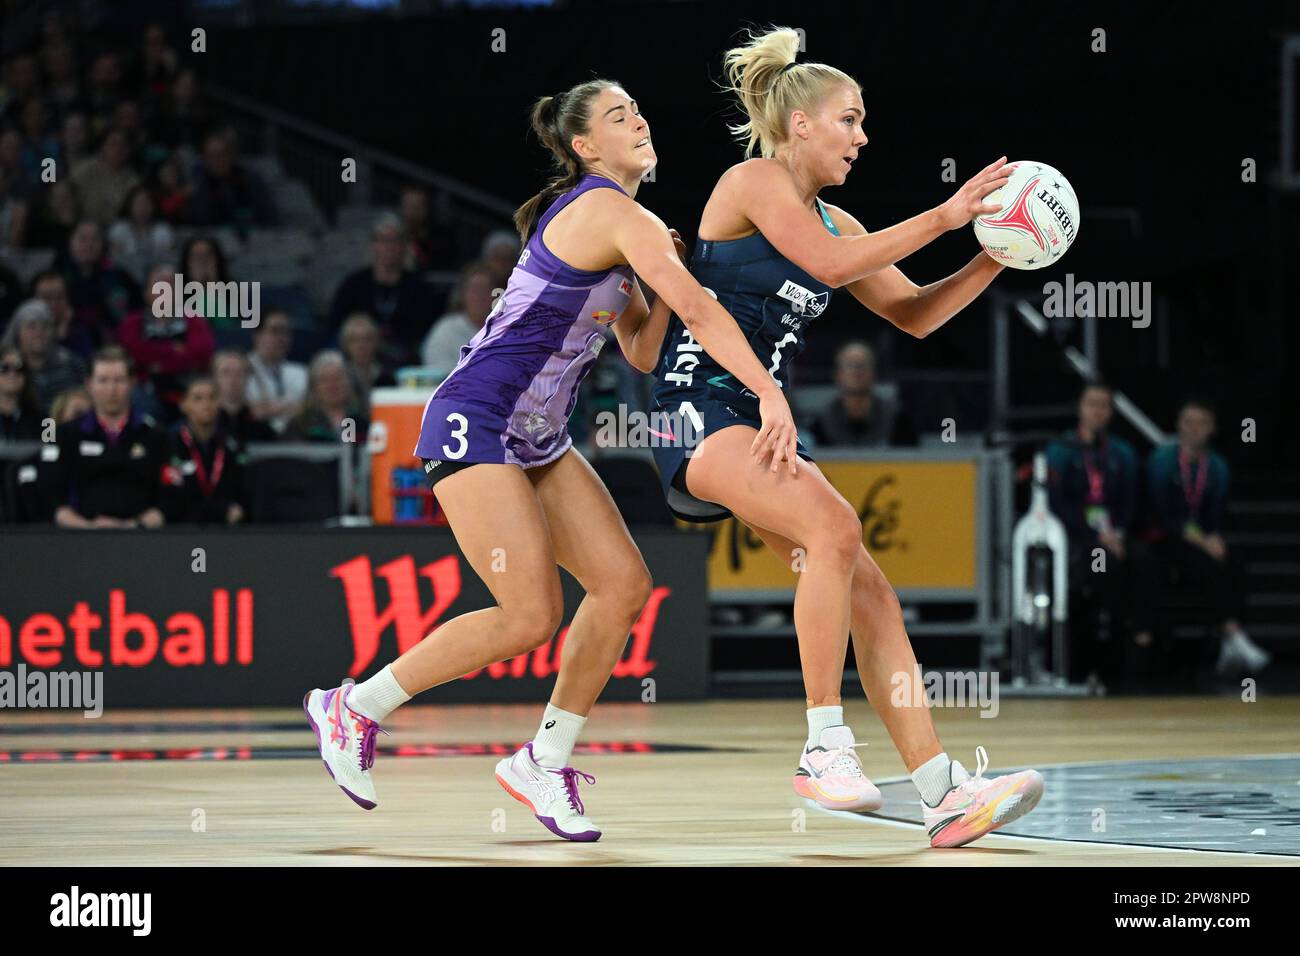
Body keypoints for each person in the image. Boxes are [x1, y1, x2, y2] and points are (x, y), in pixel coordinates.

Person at [304, 79, 800, 842]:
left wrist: (660, 272)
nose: (637, 120)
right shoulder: (605, 208)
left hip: (538, 435)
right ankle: (354, 707)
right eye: (616, 116)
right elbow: (702, 310)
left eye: (638, 108)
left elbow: (639, 348)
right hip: (476, 420)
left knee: (623, 585)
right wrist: (767, 390)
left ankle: (544, 759)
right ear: (584, 148)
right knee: (530, 614)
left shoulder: (632, 224)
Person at [648, 27, 1042, 848]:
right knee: (834, 528)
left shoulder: (841, 220)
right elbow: (826, 266)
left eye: (863, 123)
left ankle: (940, 791)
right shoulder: (751, 180)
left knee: (872, 591)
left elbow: (915, 314)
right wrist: (945, 213)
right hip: (698, 401)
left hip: (762, 417)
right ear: (799, 124)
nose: (863, 137)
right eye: (849, 120)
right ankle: (824, 745)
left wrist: (1002, 252)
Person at [1045, 380, 1157, 681]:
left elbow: (1130, 500)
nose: (1098, 411)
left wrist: (1117, 533)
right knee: (1101, 563)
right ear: (1080, 408)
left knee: (1143, 557)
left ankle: (1141, 636)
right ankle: (1100, 645)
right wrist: (1097, 535)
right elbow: (1057, 502)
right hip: (1078, 536)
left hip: (1115, 535)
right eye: (1092, 404)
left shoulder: (1122, 453)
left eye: (1104, 405)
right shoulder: (1061, 448)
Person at [1147, 398, 1268, 674]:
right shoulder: (1161, 462)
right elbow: (1160, 514)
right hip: (1165, 538)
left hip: (1200, 537)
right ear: (1179, 425)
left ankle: (1229, 638)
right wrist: (1201, 540)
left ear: (1212, 428)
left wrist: (1214, 537)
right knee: (1203, 561)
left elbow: (1216, 514)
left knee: (1234, 559)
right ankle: (1231, 632)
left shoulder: (1218, 467)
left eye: (1202, 423)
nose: (1194, 429)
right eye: (1188, 422)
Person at [48, 345, 169, 529]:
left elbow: (170, 498)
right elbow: (53, 498)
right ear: (89, 384)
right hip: (80, 541)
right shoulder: (67, 434)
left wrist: (133, 525)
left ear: (132, 382)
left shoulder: (155, 434)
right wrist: (88, 527)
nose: (112, 390)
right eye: (103, 380)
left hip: (143, 540)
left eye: (119, 380)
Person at [328, 213, 437, 367]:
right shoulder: (352, 285)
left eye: (395, 241)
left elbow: (427, 333)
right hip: (358, 357)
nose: (389, 247)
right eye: (383, 240)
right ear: (373, 245)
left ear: (404, 246)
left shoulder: (419, 287)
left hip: (405, 359)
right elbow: (337, 328)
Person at [162, 374, 247, 525]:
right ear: (183, 404)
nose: (206, 404)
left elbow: (241, 489)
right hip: (180, 528)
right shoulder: (169, 443)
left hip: (226, 529)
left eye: (212, 397)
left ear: (220, 402)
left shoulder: (232, 444)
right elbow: (172, 496)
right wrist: (219, 509)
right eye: (197, 398)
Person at [809, 340, 916, 447]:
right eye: (850, 365)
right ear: (837, 374)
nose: (856, 372)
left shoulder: (897, 421)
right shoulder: (822, 423)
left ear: (873, 372)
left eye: (862, 365)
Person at [0, 298, 86, 413]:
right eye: (32, 326)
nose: (39, 333)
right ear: (17, 332)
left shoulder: (72, 363)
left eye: (45, 326)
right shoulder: (8, 367)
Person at [419, 261, 494, 376]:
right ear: (463, 294)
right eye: (474, 290)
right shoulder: (445, 330)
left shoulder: (505, 330)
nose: (480, 296)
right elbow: (436, 370)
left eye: (485, 290)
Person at [244, 309, 307, 434]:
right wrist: (290, 408)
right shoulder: (240, 369)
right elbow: (247, 412)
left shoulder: (301, 372)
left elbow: (308, 410)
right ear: (257, 335)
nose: (282, 338)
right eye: (275, 331)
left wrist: (268, 409)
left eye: (286, 332)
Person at [212, 348, 276, 444]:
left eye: (239, 373)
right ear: (215, 378)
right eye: (225, 372)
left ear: (248, 378)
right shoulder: (203, 427)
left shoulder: (263, 428)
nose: (232, 379)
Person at [338, 312, 395, 405]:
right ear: (345, 344)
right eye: (355, 340)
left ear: (376, 342)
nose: (362, 346)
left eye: (367, 339)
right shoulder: (339, 379)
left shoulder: (387, 377)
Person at [0, 345, 42, 442]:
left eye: (19, 368)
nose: (12, 373)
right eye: (5, 368)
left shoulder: (45, 421)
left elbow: (52, 453)